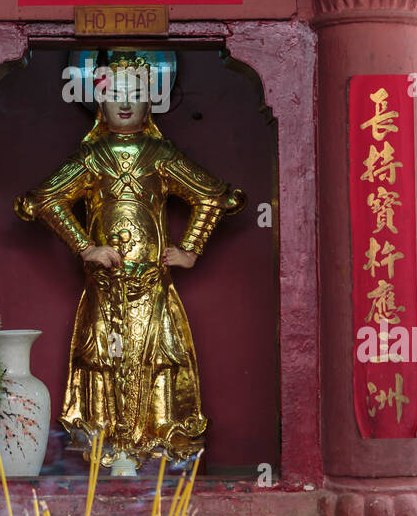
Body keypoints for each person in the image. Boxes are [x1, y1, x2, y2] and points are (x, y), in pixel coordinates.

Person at [14, 53, 245, 471]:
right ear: (99, 104)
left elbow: (214, 195)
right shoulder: (94, 156)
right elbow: (43, 200)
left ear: (150, 101)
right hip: (105, 287)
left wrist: (189, 249)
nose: (125, 104)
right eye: (115, 95)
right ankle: (111, 447)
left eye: (136, 94)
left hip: (153, 287)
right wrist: (86, 246)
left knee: (162, 360)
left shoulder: (160, 153)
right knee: (103, 361)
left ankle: (159, 441)